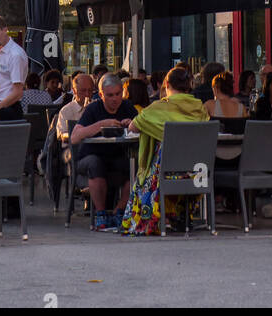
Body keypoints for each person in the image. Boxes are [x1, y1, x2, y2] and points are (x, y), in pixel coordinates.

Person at [121, 64, 211, 235]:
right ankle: (181, 214)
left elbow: (133, 126)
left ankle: (155, 216)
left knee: (149, 172)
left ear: (167, 85)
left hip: (167, 172)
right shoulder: (200, 108)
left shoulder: (158, 108)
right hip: (197, 171)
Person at [71, 72, 138, 230]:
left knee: (135, 166)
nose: (115, 99)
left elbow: (141, 127)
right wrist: (101, 124)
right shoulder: (93, 108)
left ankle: (119, 210)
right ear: (101, 94)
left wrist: (132, 125)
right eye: (109, 95)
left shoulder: (127, 106)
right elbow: (74, 137)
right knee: (95, 164)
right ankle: (101, 213)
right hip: (90, 156)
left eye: (118, 94)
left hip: (117, 156)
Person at [0, 15, 28, 121]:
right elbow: (0, 85)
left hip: (9, 108)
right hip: (0, 105)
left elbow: (17, 93)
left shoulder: (15, 54)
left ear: (5, 30)